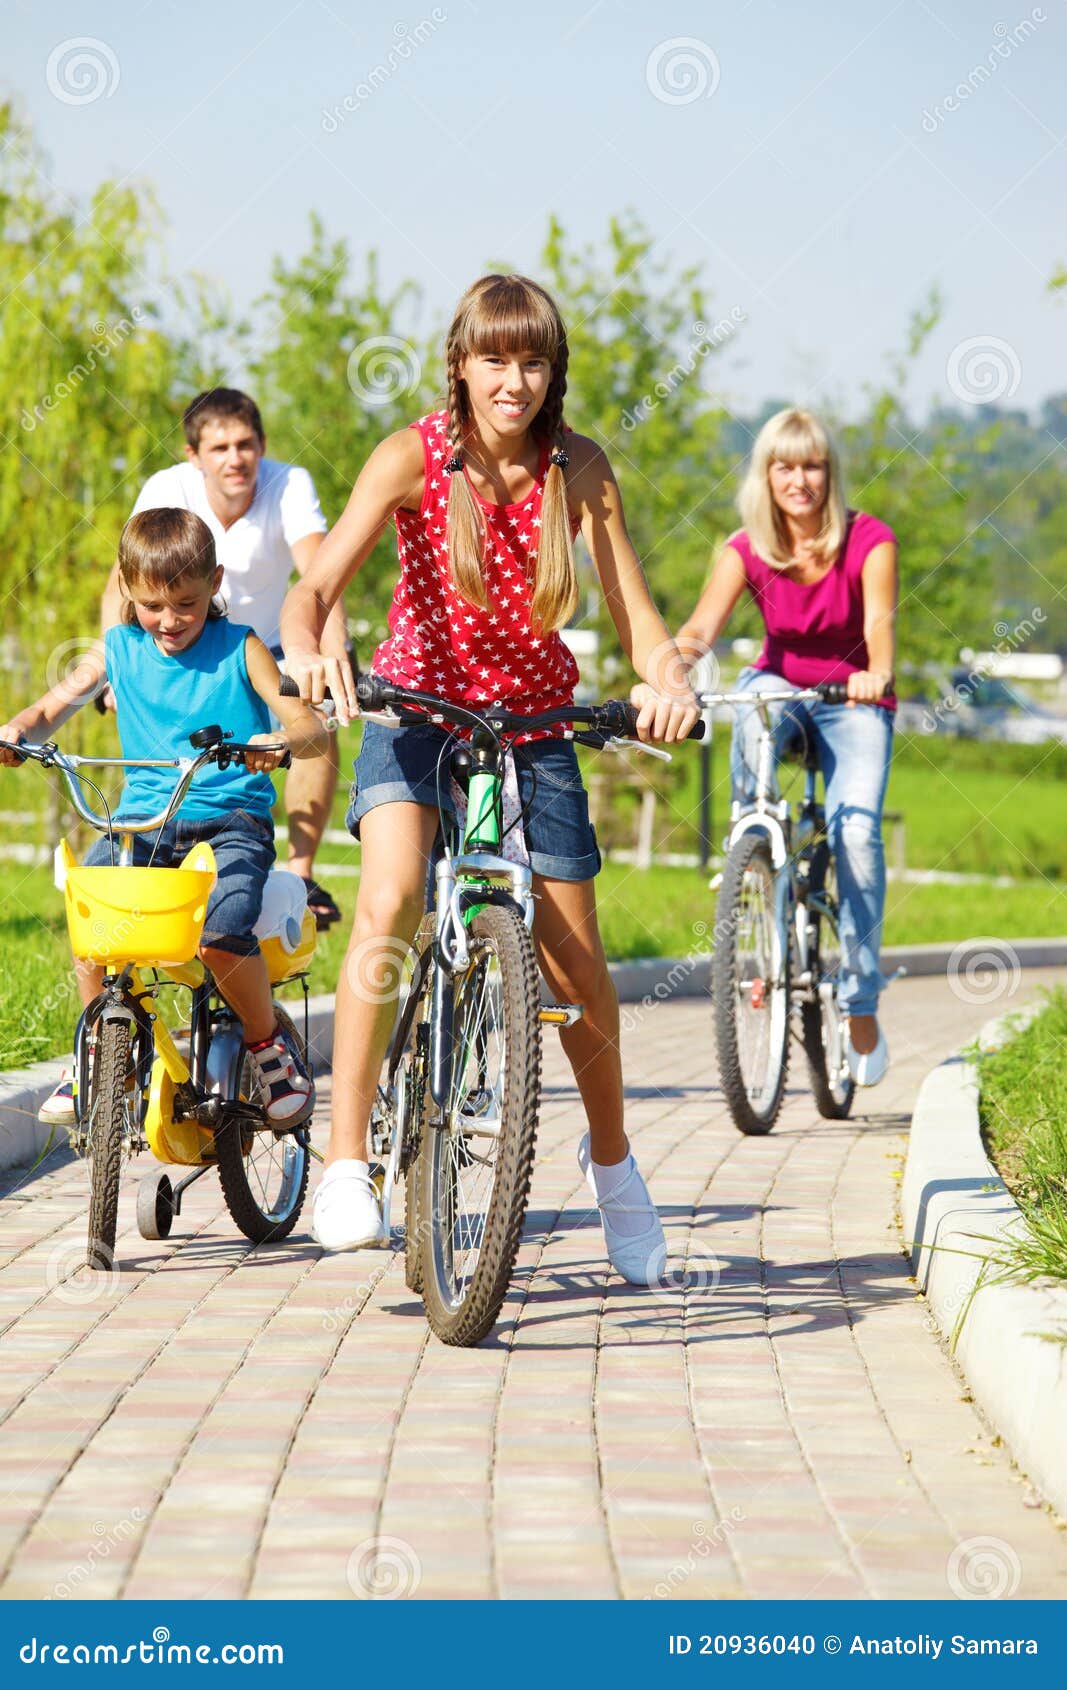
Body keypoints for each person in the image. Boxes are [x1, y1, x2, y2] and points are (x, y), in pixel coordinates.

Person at [280, 272, 700, 1275]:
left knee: (576, 971)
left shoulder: (579, 470)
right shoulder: (409, 457)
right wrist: (307, 648)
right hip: (413, 710)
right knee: (385, 899)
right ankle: (346, 1164)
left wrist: (668, 681)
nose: (512, 381)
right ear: (459, 363)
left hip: (537, 721)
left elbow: (642, 624)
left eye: (532, 361)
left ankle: (612, 1169)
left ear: (550, 372)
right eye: (494, 359)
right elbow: (313, 590)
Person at [1, 508, 330, 1126]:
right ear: (126, 589)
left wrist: (282, 742)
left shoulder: (242, 647)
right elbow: (55, 706)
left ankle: (268, 1045)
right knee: (91, 924)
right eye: (153, 604)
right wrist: (19, 731)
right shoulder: (119, 649)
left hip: (230, 820)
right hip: (143, 826)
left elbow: (306, 726)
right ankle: (100, 1051)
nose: (170, 619)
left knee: (222, 934)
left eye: (186, 602)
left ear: (215, 582)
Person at [637, 407, 897, 1087]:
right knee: (752, 710)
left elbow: (878, 628)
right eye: (784, 466)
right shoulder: (745, 547)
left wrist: (874, 675)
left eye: (811, 465)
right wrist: (670, 675)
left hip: (852, 698)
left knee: (858, 835)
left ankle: (860, 1001)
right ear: (766, 475)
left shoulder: (869, 540)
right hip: (781, 683)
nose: (799, 479)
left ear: (829, 473)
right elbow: (699, 627)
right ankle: (749, 843)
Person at [99, 388, 346, 931]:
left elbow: (322, 579)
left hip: (278, 640)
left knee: (314, 719)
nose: (235, 459)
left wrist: (330, 659)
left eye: (246, 445)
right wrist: (115, 676)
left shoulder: (289, 485)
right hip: (187, 632)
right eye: (220, 448)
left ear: (262, 446)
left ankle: (301, 871)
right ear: (193, 455)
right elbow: (128, 580)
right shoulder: (165, 488)